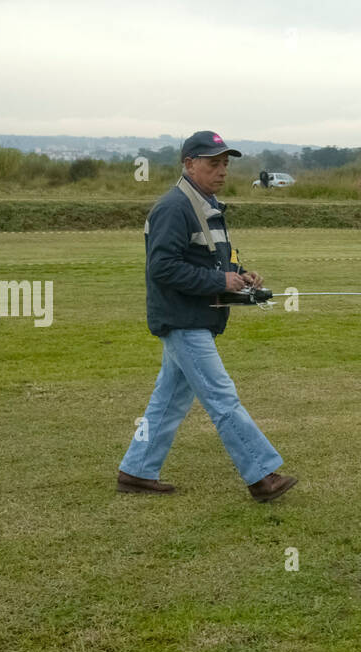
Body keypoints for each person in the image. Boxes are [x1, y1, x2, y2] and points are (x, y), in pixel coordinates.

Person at [116, 130, 297, 503]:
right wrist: (219, 279)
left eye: (225, 164)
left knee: (168, 402)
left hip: (195, 316)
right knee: (222, 398)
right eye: (213, 163)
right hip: (184, 320)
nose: (222, 171)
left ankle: (136, 471)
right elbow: (162, 268)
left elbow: (214, 259)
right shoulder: (174, 208)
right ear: (189, 164)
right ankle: (262, 474)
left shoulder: (206, 206)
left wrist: (240, 275)